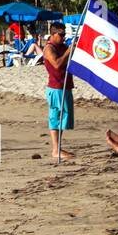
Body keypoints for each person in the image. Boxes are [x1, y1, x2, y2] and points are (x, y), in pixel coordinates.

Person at [41, 22, 73, 161]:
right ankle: (55, 149)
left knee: (63, 118)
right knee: (56, 118)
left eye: (64, 34)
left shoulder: (63, 46)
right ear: (53, 34)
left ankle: (58, 147)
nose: (63, 37)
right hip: (55, 87)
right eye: (60, 35)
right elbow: (57, 64)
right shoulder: (49, 48)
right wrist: (68, 51)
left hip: (65, 86)